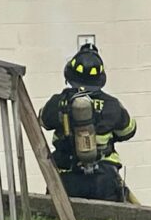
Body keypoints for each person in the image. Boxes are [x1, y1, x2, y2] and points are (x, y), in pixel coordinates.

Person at [39, 41, 137, 203]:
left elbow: (43, 120)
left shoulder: (58, 103)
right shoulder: (113, 105)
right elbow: (129, 131)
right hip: (104, 177)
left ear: (70, 76)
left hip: (67, 177)